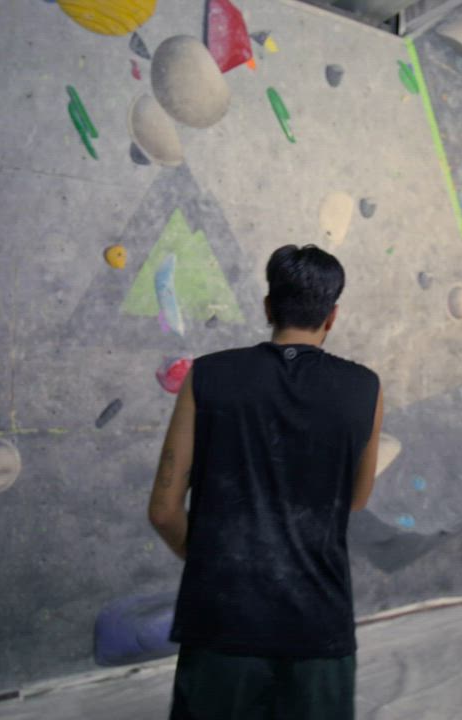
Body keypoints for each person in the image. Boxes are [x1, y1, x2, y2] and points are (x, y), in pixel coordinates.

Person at [148, 244, 384, 720]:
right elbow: (356, 499)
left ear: (268, 306)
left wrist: (213, 560)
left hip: (222, 618)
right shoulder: (365, 387)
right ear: (332, 316)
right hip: (318, 623)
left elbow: (164, 510)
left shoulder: (209, 375)